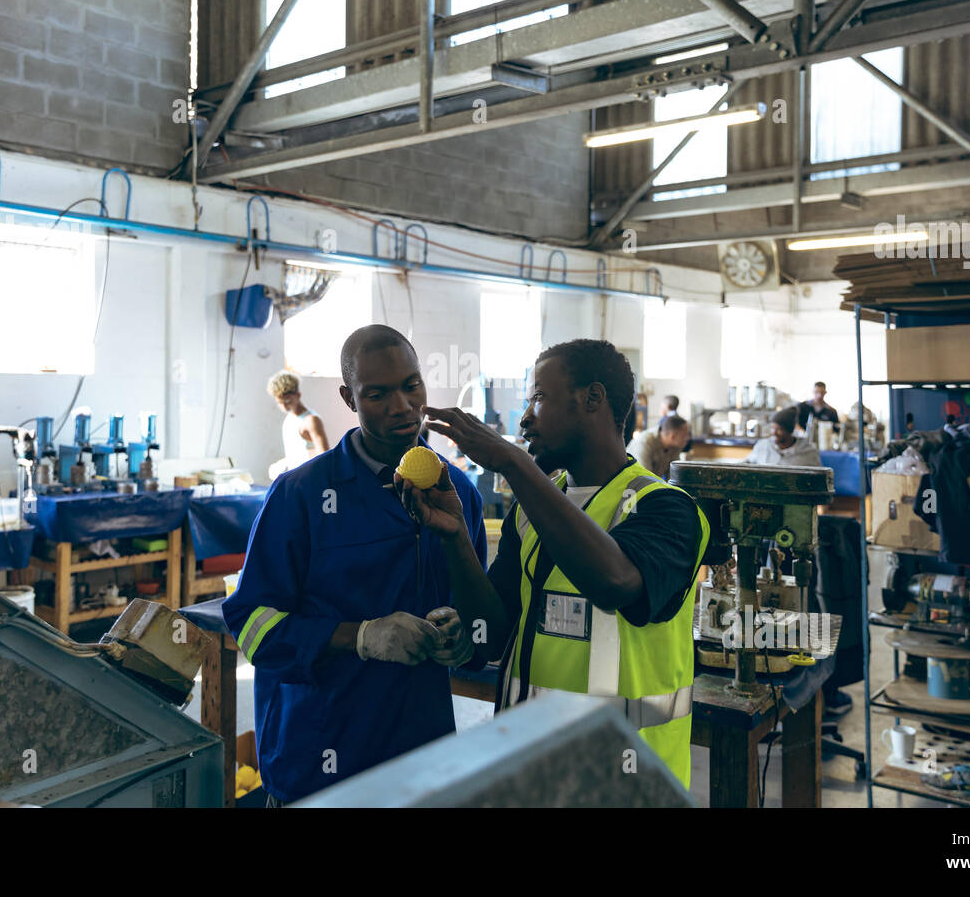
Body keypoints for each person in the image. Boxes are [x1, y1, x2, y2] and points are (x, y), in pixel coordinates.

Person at [400, 339, 710, 788]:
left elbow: (616, 582)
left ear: (593, 399)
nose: (525, 418)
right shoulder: (531, 508)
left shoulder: (665, 508)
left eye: (538, 398)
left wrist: (513, 462)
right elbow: (490, 634)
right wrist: (456, 538)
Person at [224, 326, 489, 805]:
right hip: (322, 755)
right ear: (349, 398)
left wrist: (459, 637)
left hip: (420, 754)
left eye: (411, 386)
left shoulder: (458, 494)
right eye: (378, 394)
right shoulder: (301, 495)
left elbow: (477, 620)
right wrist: (360, 636)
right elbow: (252, 625)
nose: (402, 406)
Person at [267, 371, 329, 478]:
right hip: (296, 480)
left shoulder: (311, 420)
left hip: (310, 480)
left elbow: (325, 457)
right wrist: (285, 463)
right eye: (280, 403)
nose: (284, 407)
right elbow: (298, 453)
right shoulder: (289, 418)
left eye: (287, 401)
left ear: (298, 395)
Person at [747, 406, 823, 467]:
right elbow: (746, 463)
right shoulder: (762, 446)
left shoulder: (808, 452)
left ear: (789, 431)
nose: (774, 433)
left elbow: (819, 479)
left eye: (779, 429)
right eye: (772, 428)